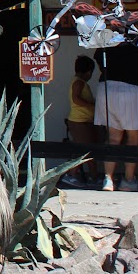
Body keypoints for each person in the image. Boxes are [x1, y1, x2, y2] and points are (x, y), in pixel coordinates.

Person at [93, 39, 138, 191]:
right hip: (132, 89)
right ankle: (128, 180)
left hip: (106, 89)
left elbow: (101, 64)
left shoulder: (107, 41)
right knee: (134, 138)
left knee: (113, 138)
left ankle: (108, 179)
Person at [61, 55, 100, 186]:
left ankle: (94, 177)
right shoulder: (79, 82)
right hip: (79, 121)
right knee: (84, 151)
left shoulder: (79, 82)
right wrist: (93, 106)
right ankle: (71, 175)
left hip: (84, 121)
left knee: (88, 150)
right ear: (89, 71)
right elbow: (76, 99)